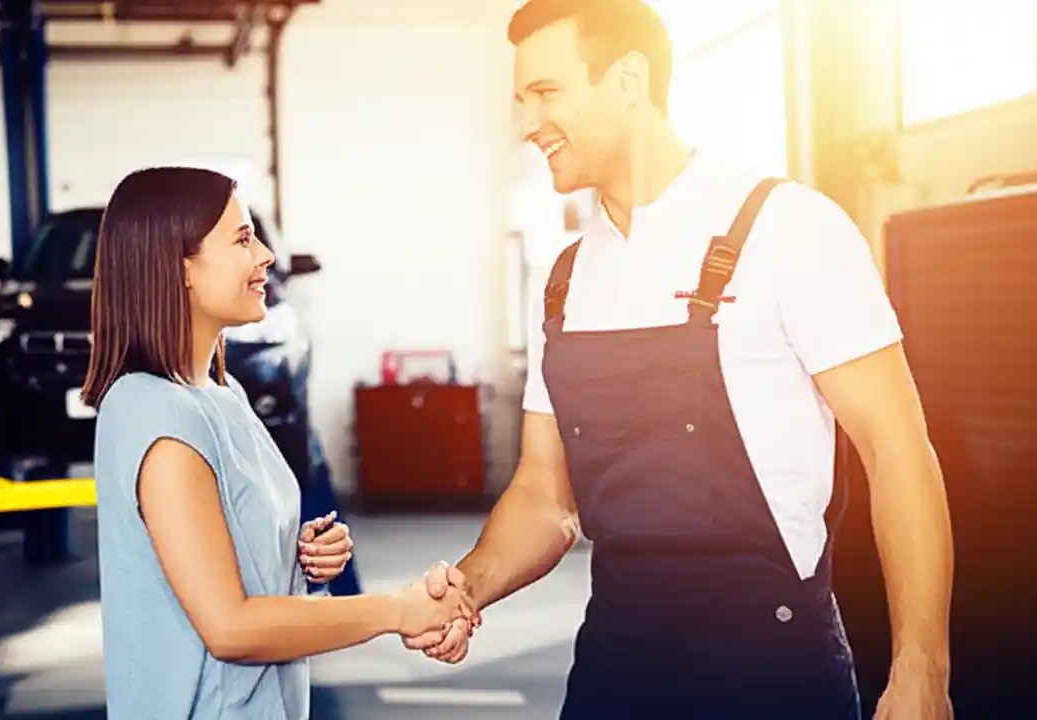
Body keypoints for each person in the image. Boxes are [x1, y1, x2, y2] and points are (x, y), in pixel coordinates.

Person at [403, 1, 955, 718]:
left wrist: (922, 665)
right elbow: (546, 495)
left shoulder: (786, 226)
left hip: (772, 673)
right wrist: (469, 586)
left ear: (629, 80)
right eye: (520, 100)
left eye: (546, 93)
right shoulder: (568, 276)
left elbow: (896, 448)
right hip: (617, 672)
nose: (528, 122)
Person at [81, 167, 473, 719]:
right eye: (242, 239)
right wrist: (397, 611)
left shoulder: (222, 392)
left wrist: (297, 553)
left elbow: (224, 556)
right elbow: (230, 627)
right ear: (179, 267)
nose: (265, 255)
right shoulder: (155, 413)